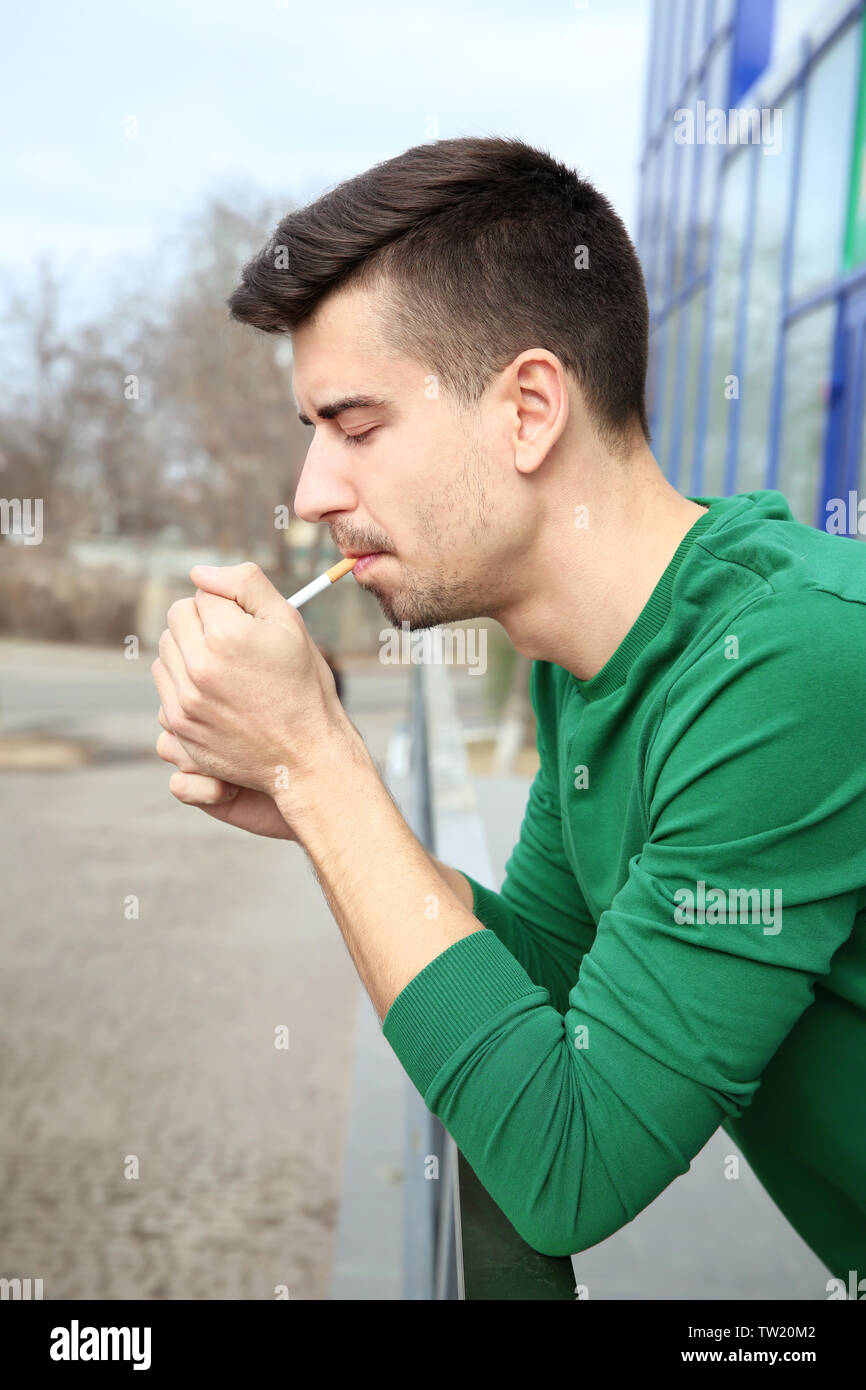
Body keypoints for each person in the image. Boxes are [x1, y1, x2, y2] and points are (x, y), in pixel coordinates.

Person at [152, 135, 866, 1281]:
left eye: (356, 424)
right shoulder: (593, 664)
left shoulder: (794, 662)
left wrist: (320, 771)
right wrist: (320, 809)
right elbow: (544, 979)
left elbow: (566, 1160)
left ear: (528, 410)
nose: (310, 493)